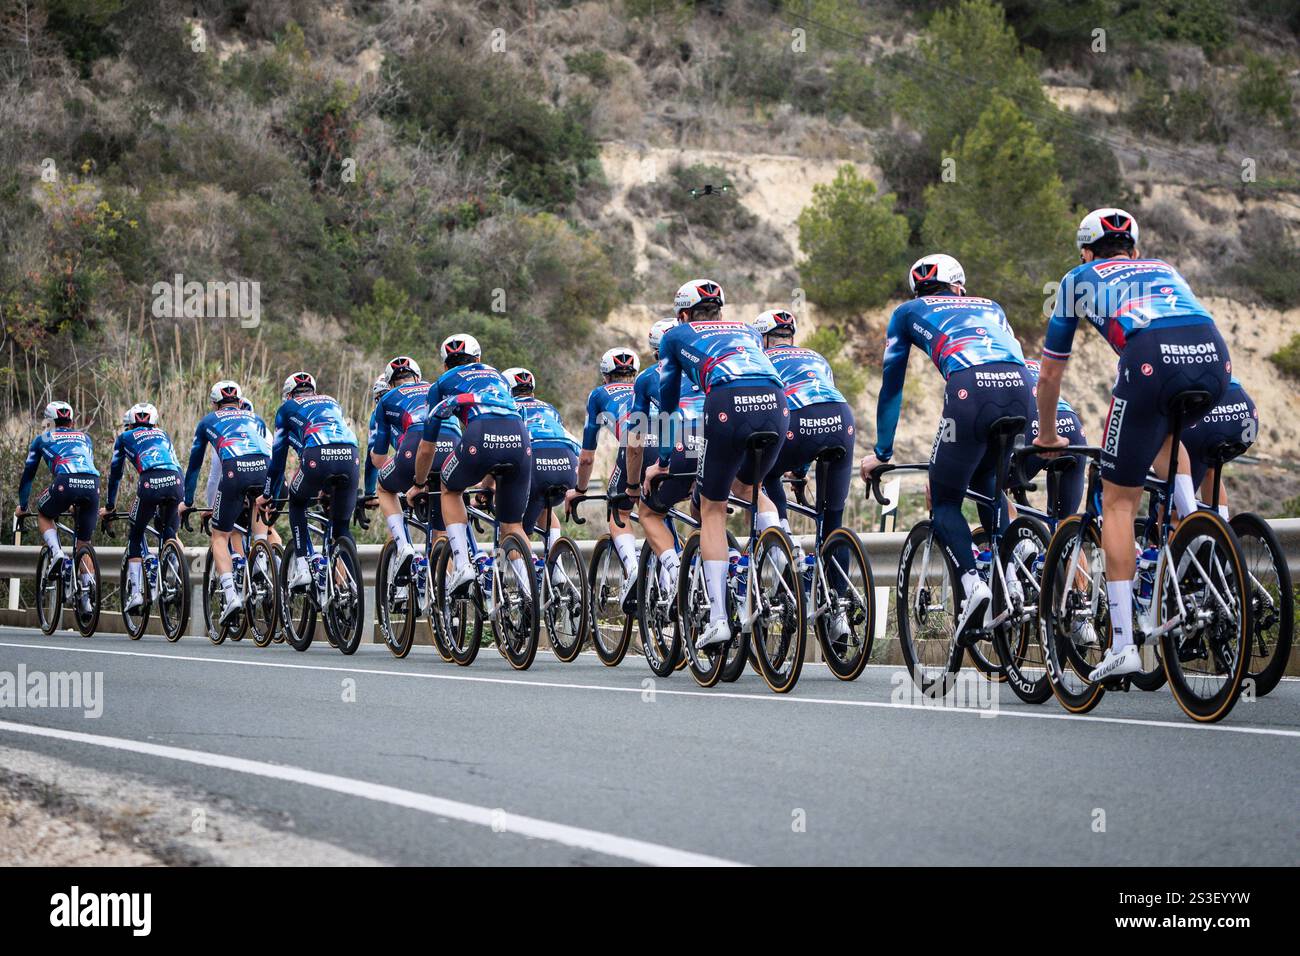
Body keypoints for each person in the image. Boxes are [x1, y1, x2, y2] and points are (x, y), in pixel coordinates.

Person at [1034, 207, 1232, 681]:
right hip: (1214, 359)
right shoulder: (1164, 269)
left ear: (1085, 250)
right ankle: (1201, 533)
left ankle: (1123, 643)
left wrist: (1045, 434)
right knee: (1168, 436)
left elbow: (1049, 373)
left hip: (1149, 362)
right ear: (1135, 250)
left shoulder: (1077, 278)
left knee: (1119, 500)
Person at [859, 254, 1034, 647]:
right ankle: (1017, 567)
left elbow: (892, 384)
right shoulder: (991, 306)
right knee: (989, 480)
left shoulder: (908, 312)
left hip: (970, 390)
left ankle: (974, 587)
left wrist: (883, 451)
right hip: (1022, 390)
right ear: (959, 286)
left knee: (943, 498)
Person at [656, 279, 788, 649]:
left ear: (682, 314)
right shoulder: (746, 329)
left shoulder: (676, 336)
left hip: (728, 402)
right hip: (777, 403)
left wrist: (664, 460)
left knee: (713, 508)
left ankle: (718, 620)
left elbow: (667, 404)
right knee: (749, 487)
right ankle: (779, 559)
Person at [411, 334, 532, 597]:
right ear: (478, 359)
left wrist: (418, 484)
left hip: (481, 435)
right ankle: (530, 594)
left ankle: (463, 565)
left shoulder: (441, 384)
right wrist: (488, 484)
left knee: (449, 487)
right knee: (512, 526)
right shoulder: (498, 375)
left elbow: (426, 447)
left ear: (445, 365)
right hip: (520, 437)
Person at [257, 372, 360, 591]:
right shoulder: (331, 401)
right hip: (351, 455)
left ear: (288, 395)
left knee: (297, 501)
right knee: (341, 525)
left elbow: (277, 463)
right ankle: (351, 589)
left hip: (317, 456)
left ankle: (304, 564)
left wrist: (267, 494)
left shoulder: (286, 409)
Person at [181, 381, 272, 624]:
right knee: (258, 514)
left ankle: (231, 595)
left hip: (234, 472)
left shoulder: (208, 421)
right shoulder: (256, 418)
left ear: (214, 404)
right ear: (240, 401)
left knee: (220, 535)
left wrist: (188, 501)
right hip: (266, 470)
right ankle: (261, 561)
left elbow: (196, 467)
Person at [628, 318, 702, 601]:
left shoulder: (647, 378)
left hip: (681, 446)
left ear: (655, 350)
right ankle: (729, 567)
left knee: (649, 513)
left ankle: (675, 569)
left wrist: (634, 484)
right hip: (715, 441)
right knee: (709, 511)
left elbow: (635, 441)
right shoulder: (702, 366)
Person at [564, 346, 641, 611]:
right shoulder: (647, 386)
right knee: (658, 513)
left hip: (635, 448)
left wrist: (580, 489)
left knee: (619, 510)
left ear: (606, 376)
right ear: (635, 373)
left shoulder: (599, 395)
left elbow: (586, 457)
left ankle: (633, 570)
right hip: (673, 448)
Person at [14, 401, 100, 615]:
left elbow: (28, 476)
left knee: (43, 512)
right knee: (84, 542)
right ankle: (87, 596)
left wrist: (22, 506)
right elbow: (83, 466)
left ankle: (57, 552)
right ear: (71, 421)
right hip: (92, 485)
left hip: (64, 482)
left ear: (49, 421)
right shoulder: (85, 437)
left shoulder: (42, 438)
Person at [102, 403, 183, 611]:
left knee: (136, 532)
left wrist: (110, 506)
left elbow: (115, 475)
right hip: (175, 482)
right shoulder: (163, 434)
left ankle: (136, 592)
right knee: (169, 530)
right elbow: (177, 464)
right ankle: (172, 571)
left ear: (130, 424)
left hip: (149, 482)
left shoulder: (124, 438)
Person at [371, 356, 435, 578]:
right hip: (451, 447)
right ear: (418, 377)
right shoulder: (434, 388)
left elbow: (378, 460)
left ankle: (404, 546)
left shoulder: (386, 402)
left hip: (412, 455)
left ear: (389, 385)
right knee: (446, 511)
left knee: (384, 487)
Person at [506, 367, 581, 552]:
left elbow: (506, 449)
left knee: (513, 526)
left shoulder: (507, 408)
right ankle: (557, 569)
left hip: (536, 463)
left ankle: (529, 574)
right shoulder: (549, 407)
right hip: (568, 464)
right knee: (545, 508)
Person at [1180, 376, 1257, 519]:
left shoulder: (1136, 359)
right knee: (1210, 468)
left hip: (1207, 416)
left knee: (1170, 510)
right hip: (1245, 415)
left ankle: (1174, 534)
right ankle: (1222, 533)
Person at [1021, 358, 1088, 520]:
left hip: (1038, 423)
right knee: (1064, 526)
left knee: (988, 482)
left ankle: (1013, 540)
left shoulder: (1005, 366)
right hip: (1071, 424)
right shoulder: (1034, 363)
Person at [356, 374, 390, 529]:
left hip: (414, 461)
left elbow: (373, 457)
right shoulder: (426, 393)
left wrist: (370, 493)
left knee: (390, 494)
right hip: (447, 453)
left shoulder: (379, 412)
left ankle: (403, 547)